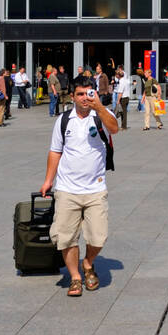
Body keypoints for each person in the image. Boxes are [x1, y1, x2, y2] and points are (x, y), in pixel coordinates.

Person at [40, 75, 119, 297]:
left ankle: (88, 262)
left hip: (95, 189)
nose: (85, 98)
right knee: (66, 236)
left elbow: (114, 129)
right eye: (80, 94)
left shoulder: (101, 115)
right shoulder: (64, 120)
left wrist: (99, 107)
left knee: (98, 236)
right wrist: (48, 180)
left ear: (95, 93)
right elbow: (55, 151)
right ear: (72, 97)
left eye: (89, 93)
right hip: (67, 188)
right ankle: (75, 277)